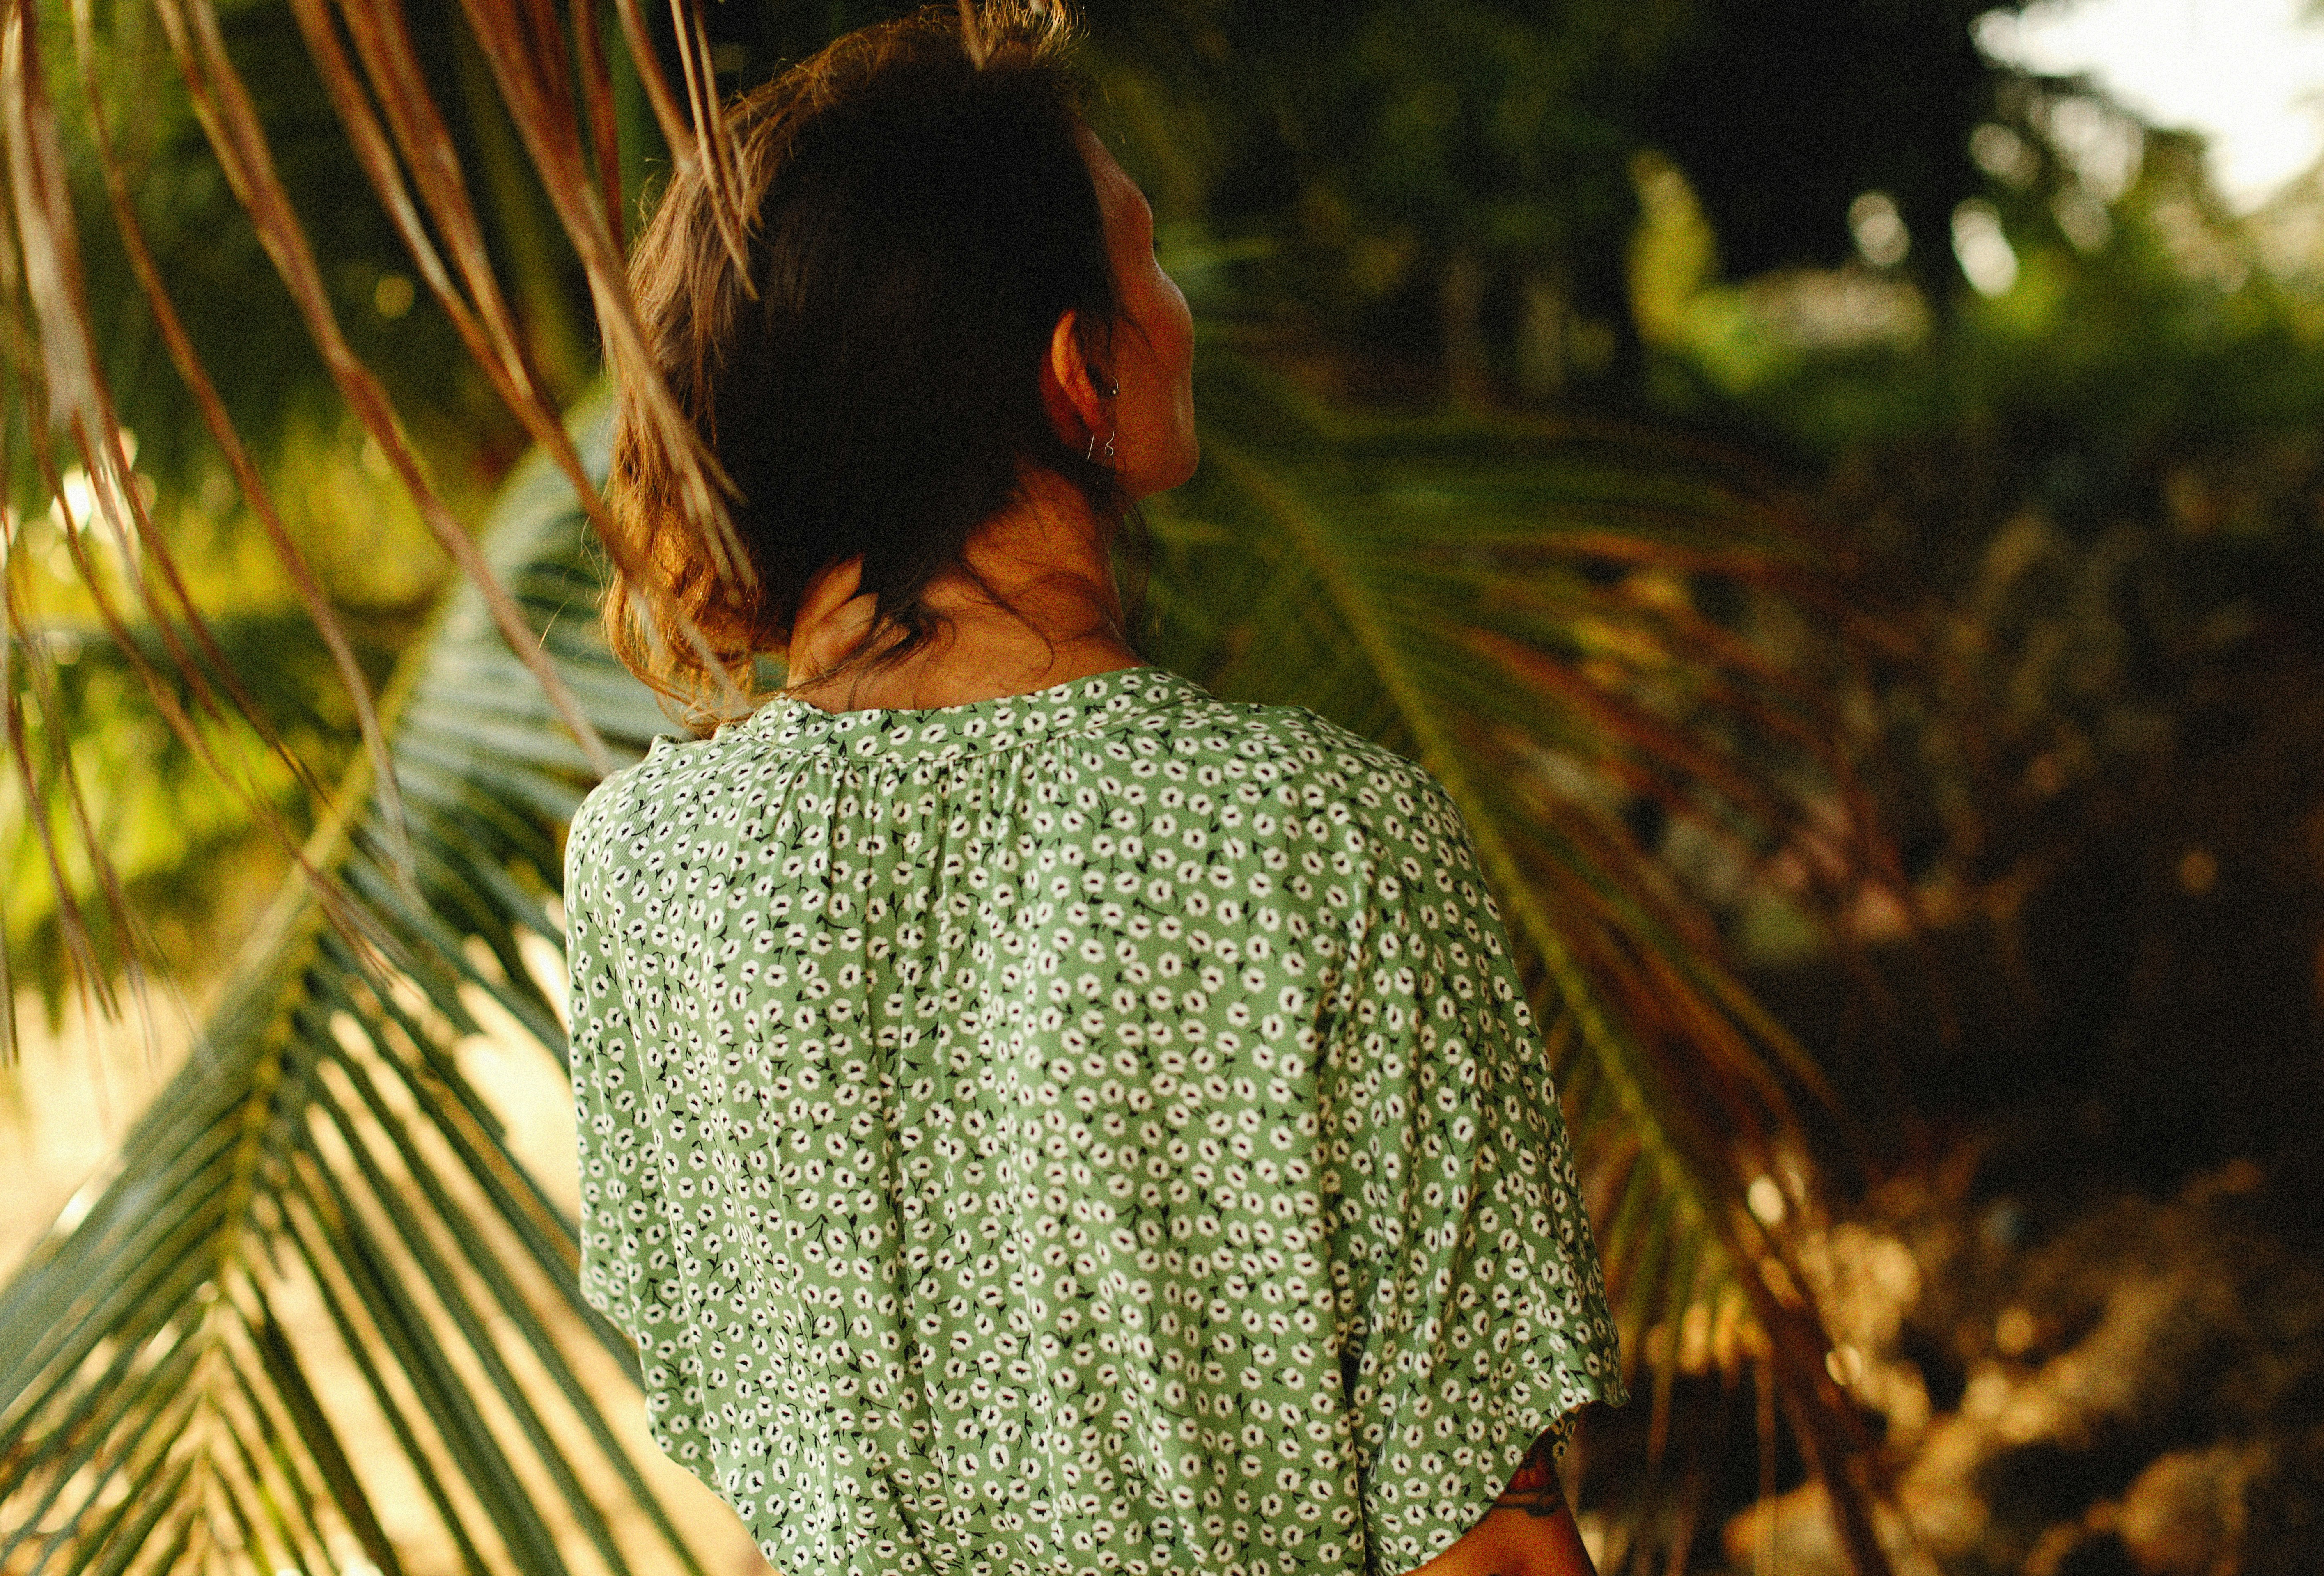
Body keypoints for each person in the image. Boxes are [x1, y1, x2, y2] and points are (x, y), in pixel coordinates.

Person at [564, 5, 1626, 1574]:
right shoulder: (1315, 843)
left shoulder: (645, 879)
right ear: (1078, 375)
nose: (1177, 304)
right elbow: (1499, 1559)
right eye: (1145, 257)